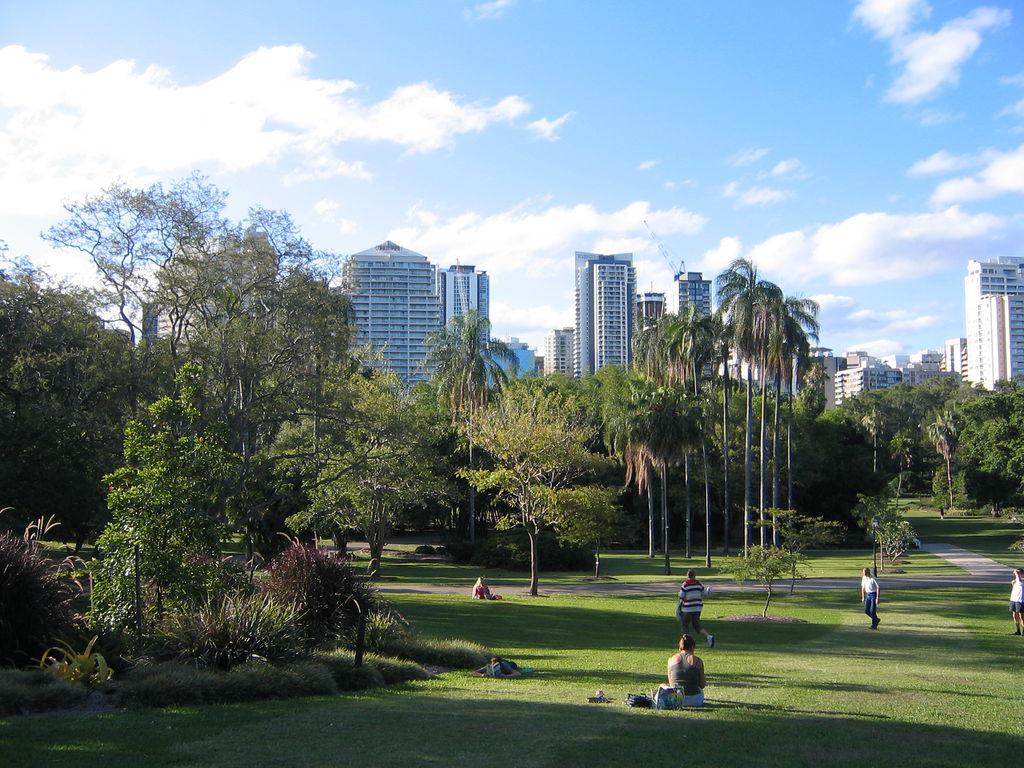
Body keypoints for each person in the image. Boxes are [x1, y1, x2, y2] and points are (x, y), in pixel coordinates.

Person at [677, 569, 715, 648]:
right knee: (697, 626)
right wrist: (708, 591)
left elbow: (681, 595)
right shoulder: (698, 583)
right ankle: (708, 636)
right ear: (694, 576)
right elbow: (704, 593)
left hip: (687, 608)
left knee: (685, 625)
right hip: (697, 608)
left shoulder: (685, 584)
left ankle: (687, 643)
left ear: (687, 576)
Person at [666, 634, 706, 707]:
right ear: (692, 647)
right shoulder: (698, 661)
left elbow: (671, 683)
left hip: (676, 700)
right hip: (694, 700)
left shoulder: (670, 660)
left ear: (680, 647)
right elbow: (702, 685)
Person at [1010, 568, 1024, 636]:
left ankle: (1023, 631)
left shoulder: (1022, 580)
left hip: (1021, 600)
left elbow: (1019, 579)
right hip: (1014, 599)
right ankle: (1018, 630)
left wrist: (1016, 572)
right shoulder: (1015, 581)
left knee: (1021, 616)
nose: (1017, 574)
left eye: (1019, 573)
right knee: (1014, 615)